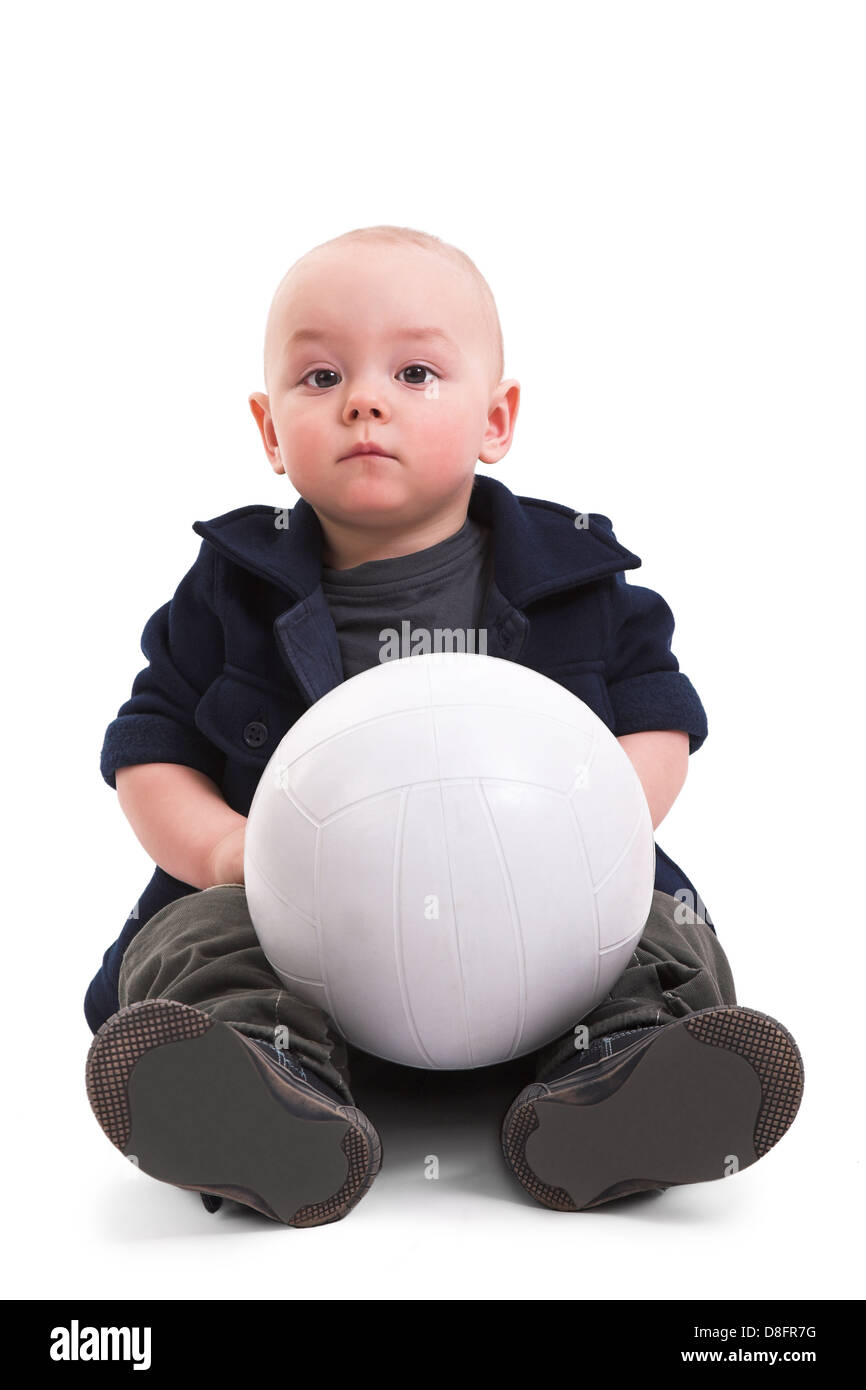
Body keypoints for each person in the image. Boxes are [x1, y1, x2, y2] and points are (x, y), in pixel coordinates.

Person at [84, 225, 804, 1226]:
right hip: (299, 926)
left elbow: (655, 722)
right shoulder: (229, 590)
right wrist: (221, 847)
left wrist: (586, 837)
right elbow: (150, 747)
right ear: (267, 429)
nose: (363, 399)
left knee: (652, 931)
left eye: (414, 371)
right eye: (321, 374)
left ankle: (625, 1078)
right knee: (194, 936)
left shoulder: (576, 577)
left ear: (494, 419)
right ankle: (257, 1086)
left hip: (545, 925)